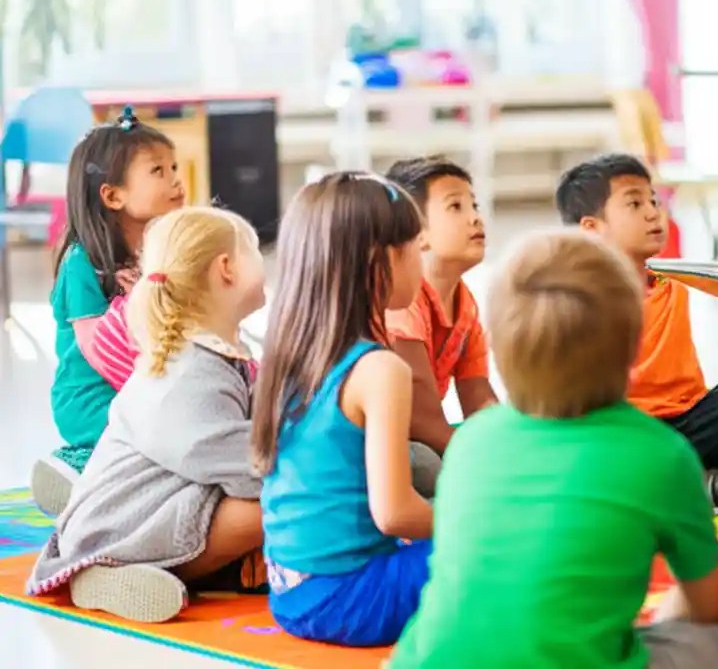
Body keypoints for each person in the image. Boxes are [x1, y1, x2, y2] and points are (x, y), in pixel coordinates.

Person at [390, 231, 718, 669]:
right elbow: (707, 608)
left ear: (502, 352)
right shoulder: (662, 453)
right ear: (631, 348)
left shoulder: (472, 440)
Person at [27, 207, 267, 623]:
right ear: (226, 268)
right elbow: (243, 465)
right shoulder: (189, 369)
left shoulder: (215, 350)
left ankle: (190, 566)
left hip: (159, 504)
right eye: (255, 251)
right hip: (119, 526)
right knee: (277, 502)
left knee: (278, 496)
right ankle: (111, 571)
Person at [253, 172, 434, 647]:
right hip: (350, 599)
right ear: (381, 264)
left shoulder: (291, 353)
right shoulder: (379, 369)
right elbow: (395, 513)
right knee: (513, 541)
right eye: (417, 245)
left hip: (290, 594)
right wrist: (477, 514)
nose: (424, 256)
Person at [556, 154, 718, 513]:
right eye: (635, 204)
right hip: (625, 430)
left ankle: (664, 484)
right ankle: (697, 484)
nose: (654, 213)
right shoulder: (583, 300)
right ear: (592, 228)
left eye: (654, 201)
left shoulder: (675, 286)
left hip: (683, 428)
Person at [33, 107, 186, 516]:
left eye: (174, 166)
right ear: (113, 195)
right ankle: (77, 472)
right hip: (93, 397)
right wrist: (159, 397)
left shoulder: (161, 254)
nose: (176, 178)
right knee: (164, 443)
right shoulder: (83, 263)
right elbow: (100, 351)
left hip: (142, 388)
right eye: (158, 171)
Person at [384, 156, 497, 496]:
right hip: (388, 441)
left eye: (473, 204)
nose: (475, 217)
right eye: (455, 207)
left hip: (424, 435)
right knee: (428, 466)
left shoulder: (465, 303)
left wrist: (512, 441)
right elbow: (419, 417)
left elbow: (479, 400)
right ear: (417, 234)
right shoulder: (403, 301)